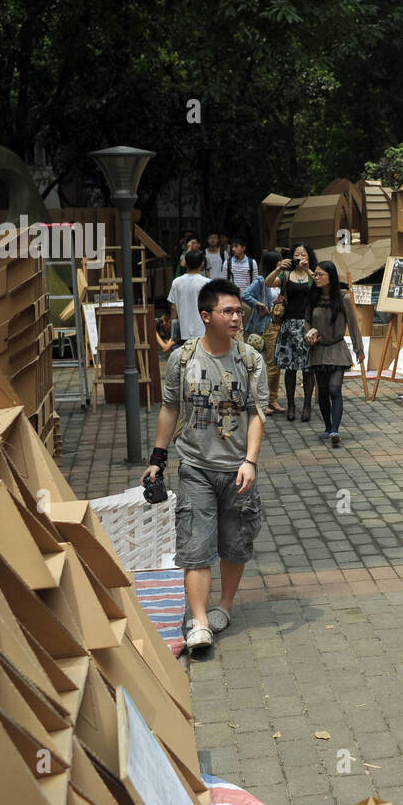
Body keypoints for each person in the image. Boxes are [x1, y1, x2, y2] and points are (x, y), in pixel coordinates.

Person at [143, 278, 268, 655]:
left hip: (237, 469)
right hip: (195, 466)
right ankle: (198, 621)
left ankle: (224, 606)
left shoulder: (251, 360)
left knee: (235, 542)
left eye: (238, 311)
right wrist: (157, 459)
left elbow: (257, 413)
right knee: (195, 545)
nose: (235, 317)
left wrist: (251, 461)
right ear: (205, 316)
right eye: (227, 311)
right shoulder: (182, 359)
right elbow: (170, 408)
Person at [304, 260, 364, 447]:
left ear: (331, 277)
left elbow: (354, 326)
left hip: (337, 349)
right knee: (322, 392)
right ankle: (328, 427)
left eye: (321, 275)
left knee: (334, 389)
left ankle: (335, 430)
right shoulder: (312, 299)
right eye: (315, 274)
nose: (317, 278)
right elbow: (306, 322)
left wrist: (359, 350)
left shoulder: (343, 299)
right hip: (319, 350)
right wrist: (309, 335)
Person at [269, 242, 318, 422]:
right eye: (297, 254)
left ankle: (307, 406)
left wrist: (309, 270)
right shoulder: (286, 274)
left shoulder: (313, 274)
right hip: (289, 325)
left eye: (304, 254)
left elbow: (322, 287)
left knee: (308, 369)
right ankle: (290, 405)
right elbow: (268, 283)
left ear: (309, 257)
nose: (300, 257)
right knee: (289, 369)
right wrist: (278, 268)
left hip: (308, 326)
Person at [242, 250, 285, 415]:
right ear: (274, 263)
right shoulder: (261, 280)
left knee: (276, 364)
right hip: (265, 326)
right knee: (267, 364)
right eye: (279, 262)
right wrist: (258, 304)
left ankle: (272, 399)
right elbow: (245, 295)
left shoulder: (280, 281)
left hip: (279, 324)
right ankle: (262, 400)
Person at [167, 249, 210, 346]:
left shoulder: (176, 282)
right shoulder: (207, 283)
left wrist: (173, 329)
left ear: (185, 263)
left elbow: (173, 307)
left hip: (183, 331)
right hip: (202, 331)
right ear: (202, 264)